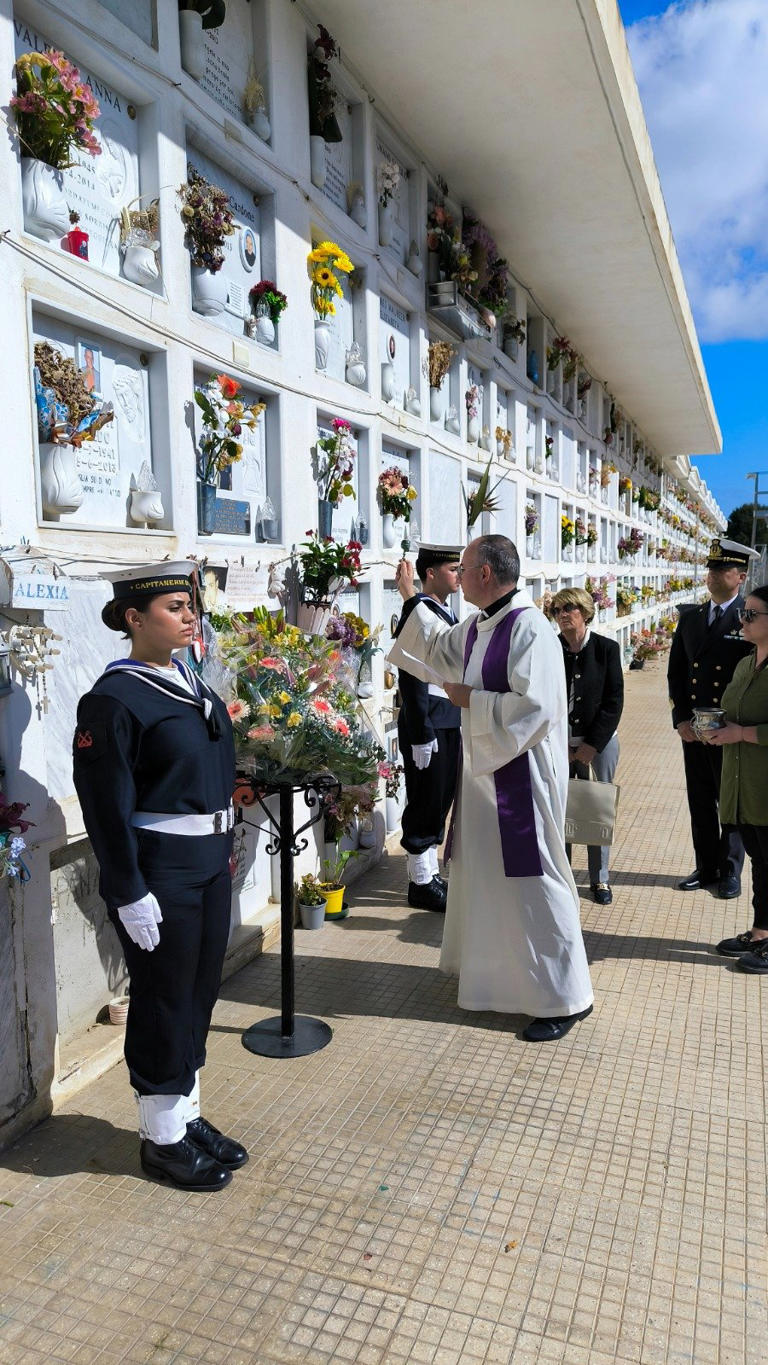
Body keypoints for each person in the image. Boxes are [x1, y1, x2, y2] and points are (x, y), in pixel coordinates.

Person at [72, 562, 246, 1192]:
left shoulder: (186, 676)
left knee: (199, 992)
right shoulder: (113, 699)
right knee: (163, 998)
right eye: (175, 606)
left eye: (190, 604)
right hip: (161, 873)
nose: (189, 614)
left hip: (207, 864)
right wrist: (128, 889)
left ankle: (187, 1116)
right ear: (133, 618)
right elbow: (104, 806)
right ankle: (161, 1140)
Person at [390, 535, 594, 1041]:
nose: (457, 576)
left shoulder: (529, 629)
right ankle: (499, 980)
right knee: (489, 878)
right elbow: (436, 649)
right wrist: (411, 598)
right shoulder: (484, 624)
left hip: (519, 781)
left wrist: (471, 701)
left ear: (485, 574)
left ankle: (564, 995)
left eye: (463, 568)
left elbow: (538, 710)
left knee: (536, 882)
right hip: (487, 778)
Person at [667, 537, 759, 898]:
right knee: (700, 800)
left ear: (741, 576)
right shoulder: (690, 618)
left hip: (730, 728)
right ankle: (706, 867)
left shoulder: (748, 620)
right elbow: (676, 673)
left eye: (722, 569)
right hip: (695, 729)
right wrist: (680, 719)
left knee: (730, 802)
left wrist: (737, 727)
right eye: (711, 568)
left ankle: (730, 871)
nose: (713, 575)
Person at [393, 543, 462, 911]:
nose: (460, 576)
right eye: (454, 569)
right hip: (430, 721)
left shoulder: (441, 612)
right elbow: (412, 678)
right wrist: (421, 732)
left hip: (448, 716)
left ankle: (429, 874)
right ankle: (419, 883)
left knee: (441, 797)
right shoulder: (417, 612)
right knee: (426, 799)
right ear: (431, 573)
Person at [704, 584, 768, 970]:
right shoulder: (747, 663)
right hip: (745, 784)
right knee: (760, 860)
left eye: (751, 614)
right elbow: (732, 708)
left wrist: (741, 733)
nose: (741, 620)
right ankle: (762, 932)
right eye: (743, 612)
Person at [551, 587, 623, 905]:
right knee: (562, 809)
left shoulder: (606, 649)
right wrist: (559, 744)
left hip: (601, 744)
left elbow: (614, 701)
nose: (563, 614)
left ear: (585, 611)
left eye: (569, 608)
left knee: (595, 808)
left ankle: (600, 880)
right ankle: (564, 878)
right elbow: (545, 700)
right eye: (557, 610)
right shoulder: (551, 649)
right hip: (560, 744)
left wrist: (591, 746)